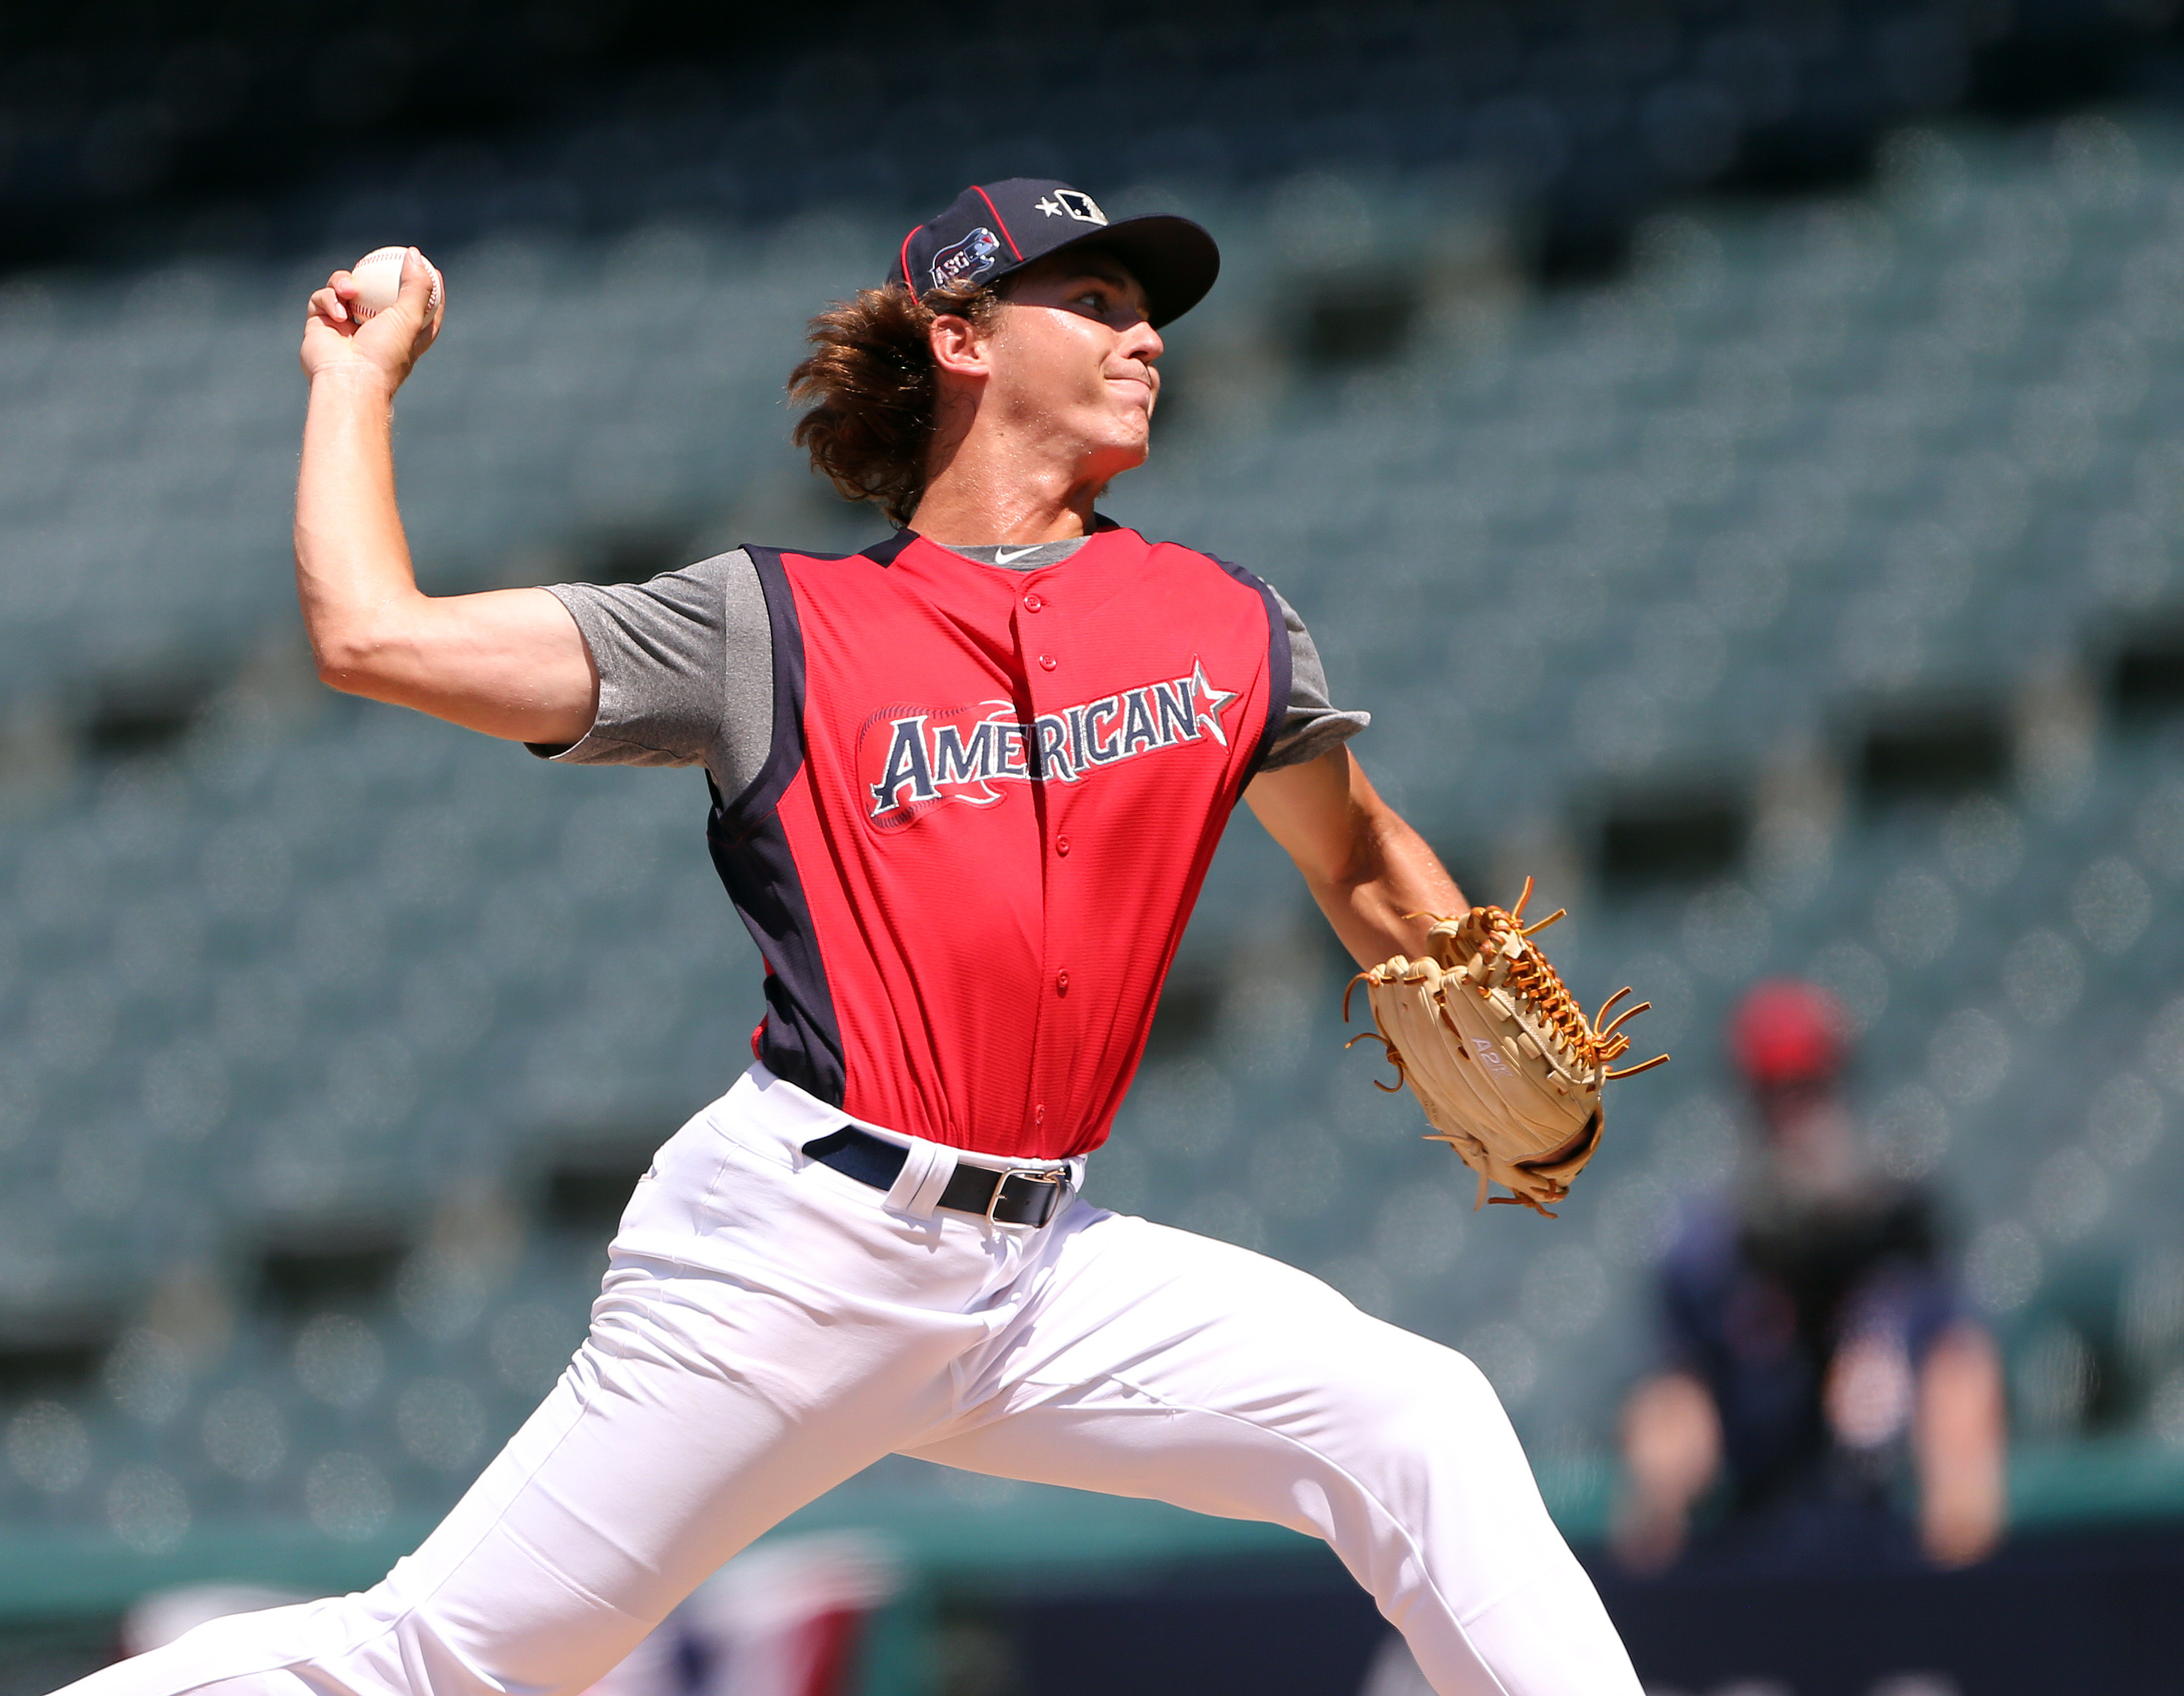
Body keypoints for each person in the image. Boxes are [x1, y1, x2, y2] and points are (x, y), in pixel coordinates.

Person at [61, 180, 1640, 1696]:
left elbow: (1353, 848)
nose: (1144, 335)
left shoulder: (1225, 622)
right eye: (1095, 300)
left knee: (1414, 1420)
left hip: (1037, 1273)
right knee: (450, 1662)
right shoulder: (770, 628)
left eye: (1148, 310)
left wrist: (1452, 960)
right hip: (796, 1255)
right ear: (960, 336)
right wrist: (354, 382)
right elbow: (373, 636)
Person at [1613, 979, 2006, 1576]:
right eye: (1775, 1093)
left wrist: (1960, 1507)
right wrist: (1658, 1496)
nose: (1794, 1114)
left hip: (1890, 1542)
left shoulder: (1898, 1233)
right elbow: (1677, 1392)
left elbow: (1958, 1370)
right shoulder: (1712, 1251)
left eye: (1809, 1088)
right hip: (1757, 1544)